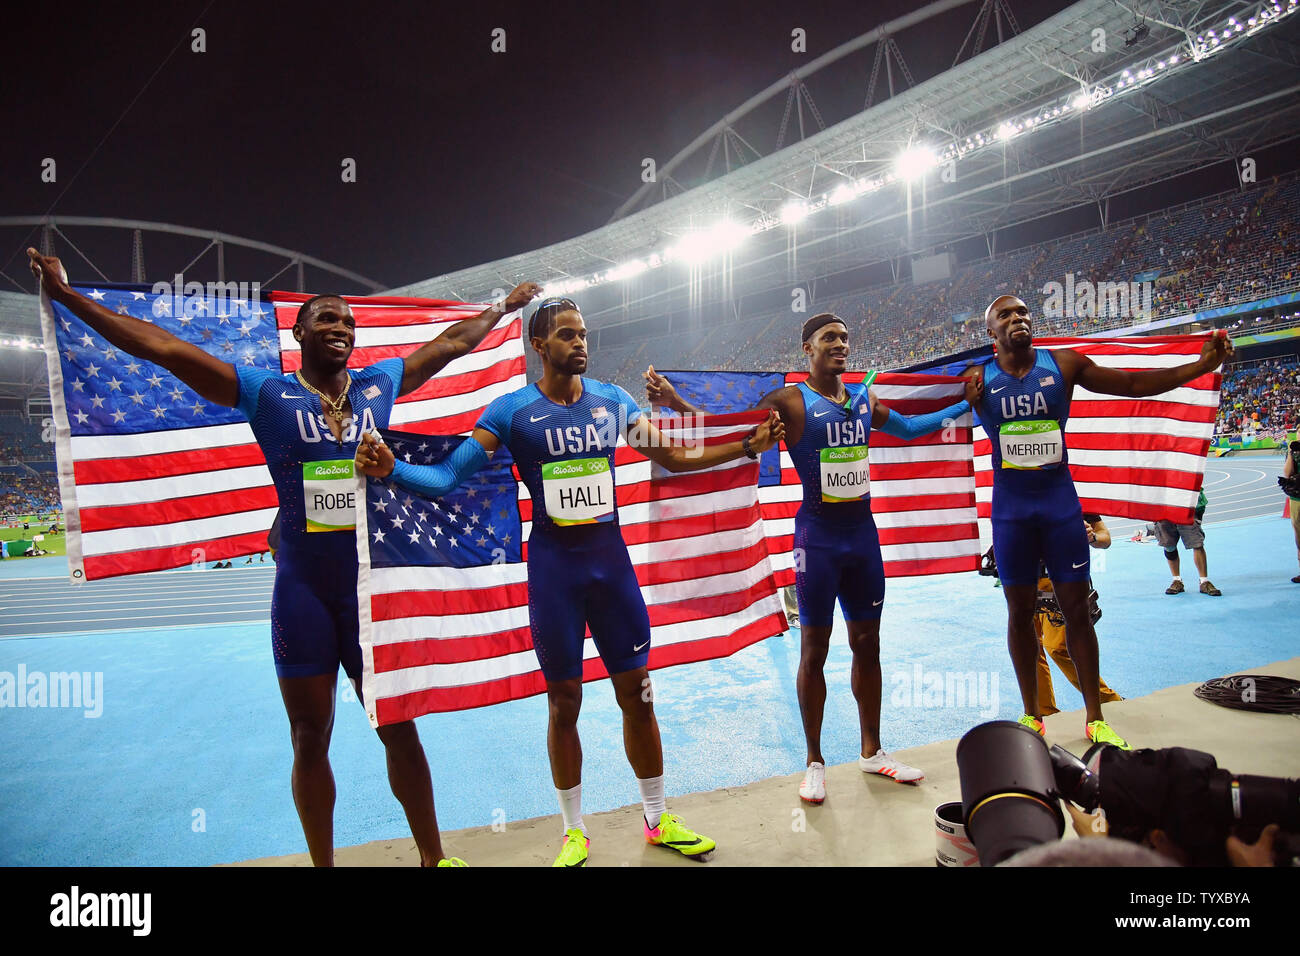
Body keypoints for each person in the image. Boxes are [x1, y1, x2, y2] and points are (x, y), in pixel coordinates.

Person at [30, 246, 542, 867]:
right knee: (308, 737)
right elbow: (163, 349)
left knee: (399, 725)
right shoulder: (267, 395)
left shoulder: (379, 386)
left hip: (369, 590)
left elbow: (452, 344)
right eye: (325, 319)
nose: (340, 329)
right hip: (303, 590)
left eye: (348, 322)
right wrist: (67, 297)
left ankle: (436, 860)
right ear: (298, 333)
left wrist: (502, 308)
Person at [355, 296, 784, 866]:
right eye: (567, 335)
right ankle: (574, 830)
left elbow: (673, 457)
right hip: (555, 573)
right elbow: (447, 478)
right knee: (564, 701)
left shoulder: (613, 400)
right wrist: (394, 471)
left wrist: (743, 446)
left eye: (583, 333)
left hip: (612, 569)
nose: (580, 343)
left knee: (639, 693)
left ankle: (658, 819)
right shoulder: (509, 412)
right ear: (540, 346)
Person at [643, 312, 978, 804]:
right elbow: (729, 428)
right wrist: (674, 401)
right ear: (808, 348)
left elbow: (907, 428)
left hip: (863, 538)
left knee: (868, 643)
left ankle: (873, 751)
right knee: (813, 651)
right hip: (816, 540)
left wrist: (959, 407)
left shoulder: (862, 398)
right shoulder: (789, 402)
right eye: (829, 338)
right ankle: (815, 761)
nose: (840, 345)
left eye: (845, 338)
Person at [966, 294, 1231, 751]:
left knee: (1077, 613)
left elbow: (1130, 383)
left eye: (1024, 313)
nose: (1019, 319)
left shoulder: (1064, 365)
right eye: (1006, 315)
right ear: (991, 333)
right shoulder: (975, 379)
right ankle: (1031, 716)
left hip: (1059, 508)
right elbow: (912, 412)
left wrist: (1198, 367)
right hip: (1010, 514)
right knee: (1019, 615)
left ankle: (1095, 717)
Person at [1033, 514, 1122, 717]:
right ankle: (1045, 711)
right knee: (1030, 648)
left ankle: (1109, 700)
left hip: (1058, 581)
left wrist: (1091, 537)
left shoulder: (1073, 497)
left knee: (1057, 648)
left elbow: (1104, 538)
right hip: (1022, 581)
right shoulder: (1016, 495)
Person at [1153, 489, 1221, 596]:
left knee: (1196, 543)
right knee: (1169, 545)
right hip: (1163, 505)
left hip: (1187, 504)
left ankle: (1204, 581)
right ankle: (1177, 580)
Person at [1282, 439, 1300, 583]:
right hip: (1297, 499)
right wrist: (1290, 452)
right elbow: (1288, 473)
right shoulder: (1295, 451)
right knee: (1299, 536)